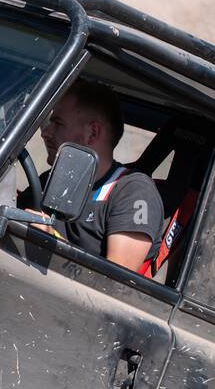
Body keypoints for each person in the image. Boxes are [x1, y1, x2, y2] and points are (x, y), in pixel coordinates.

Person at [28, 82, 164, 272]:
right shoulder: (47, 181)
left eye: (57, 123)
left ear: (93, 132)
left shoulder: (134, 192)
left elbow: (114, 282)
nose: (46, 133)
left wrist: (51, 238)